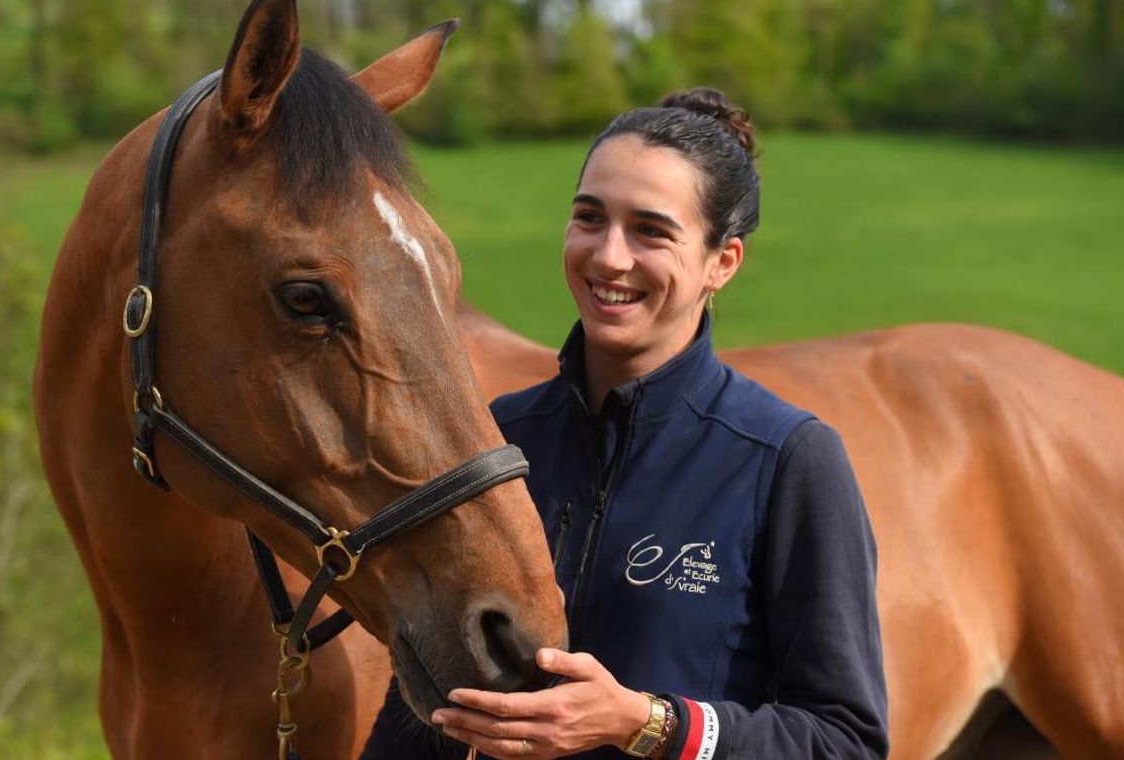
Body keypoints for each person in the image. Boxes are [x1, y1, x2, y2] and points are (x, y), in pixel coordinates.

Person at [361, 88, 888, 759]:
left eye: (651, 230)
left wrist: (646, 723)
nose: (609, 256)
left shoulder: (787, 460)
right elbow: (424, 709)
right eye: (590, 218)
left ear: (721, 263)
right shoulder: (499, 441)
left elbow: (845, 742)